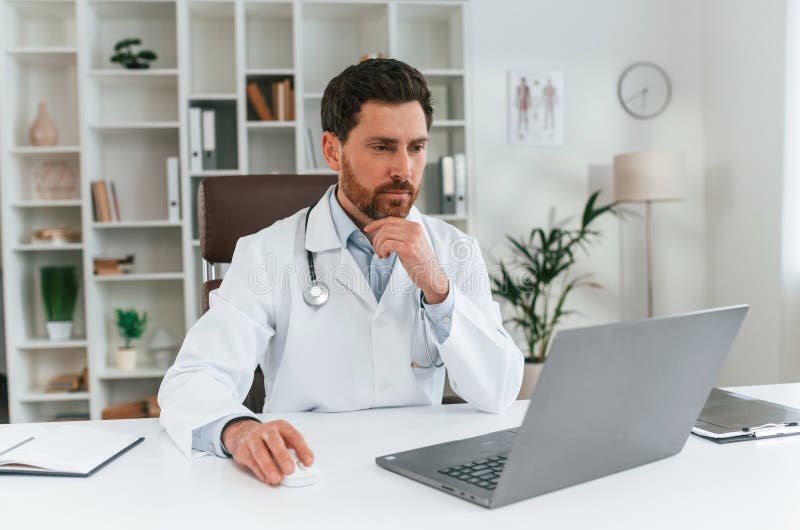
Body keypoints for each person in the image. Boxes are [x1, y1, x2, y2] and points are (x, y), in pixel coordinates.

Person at [158, 58, 524, 486]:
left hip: (419, 472)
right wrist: (238, 431)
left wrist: (438, 289)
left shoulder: (454, 251)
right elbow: (194, 378)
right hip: (309, 469)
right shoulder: (266, 253)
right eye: (382, 147)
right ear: (332, 150)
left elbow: (498, 391)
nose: (404, 170)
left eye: (417, 147)